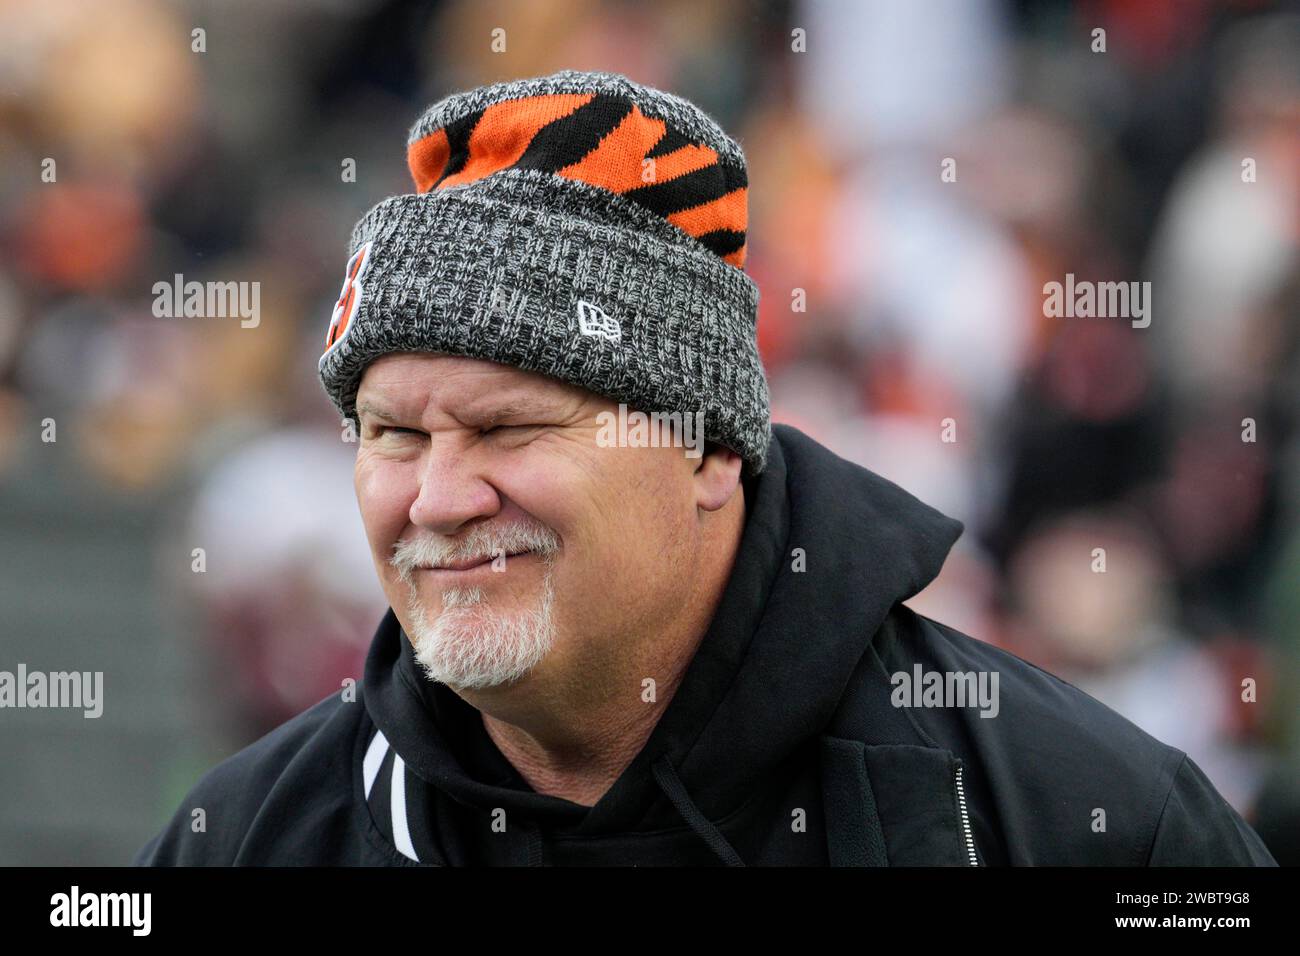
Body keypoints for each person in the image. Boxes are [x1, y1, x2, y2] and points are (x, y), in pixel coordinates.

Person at [133, 70, 1276, 866]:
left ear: (710, 447)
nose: (435, 499)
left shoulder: (1070, 812)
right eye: (393, 435)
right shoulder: (247, 836)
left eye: (509, 429)